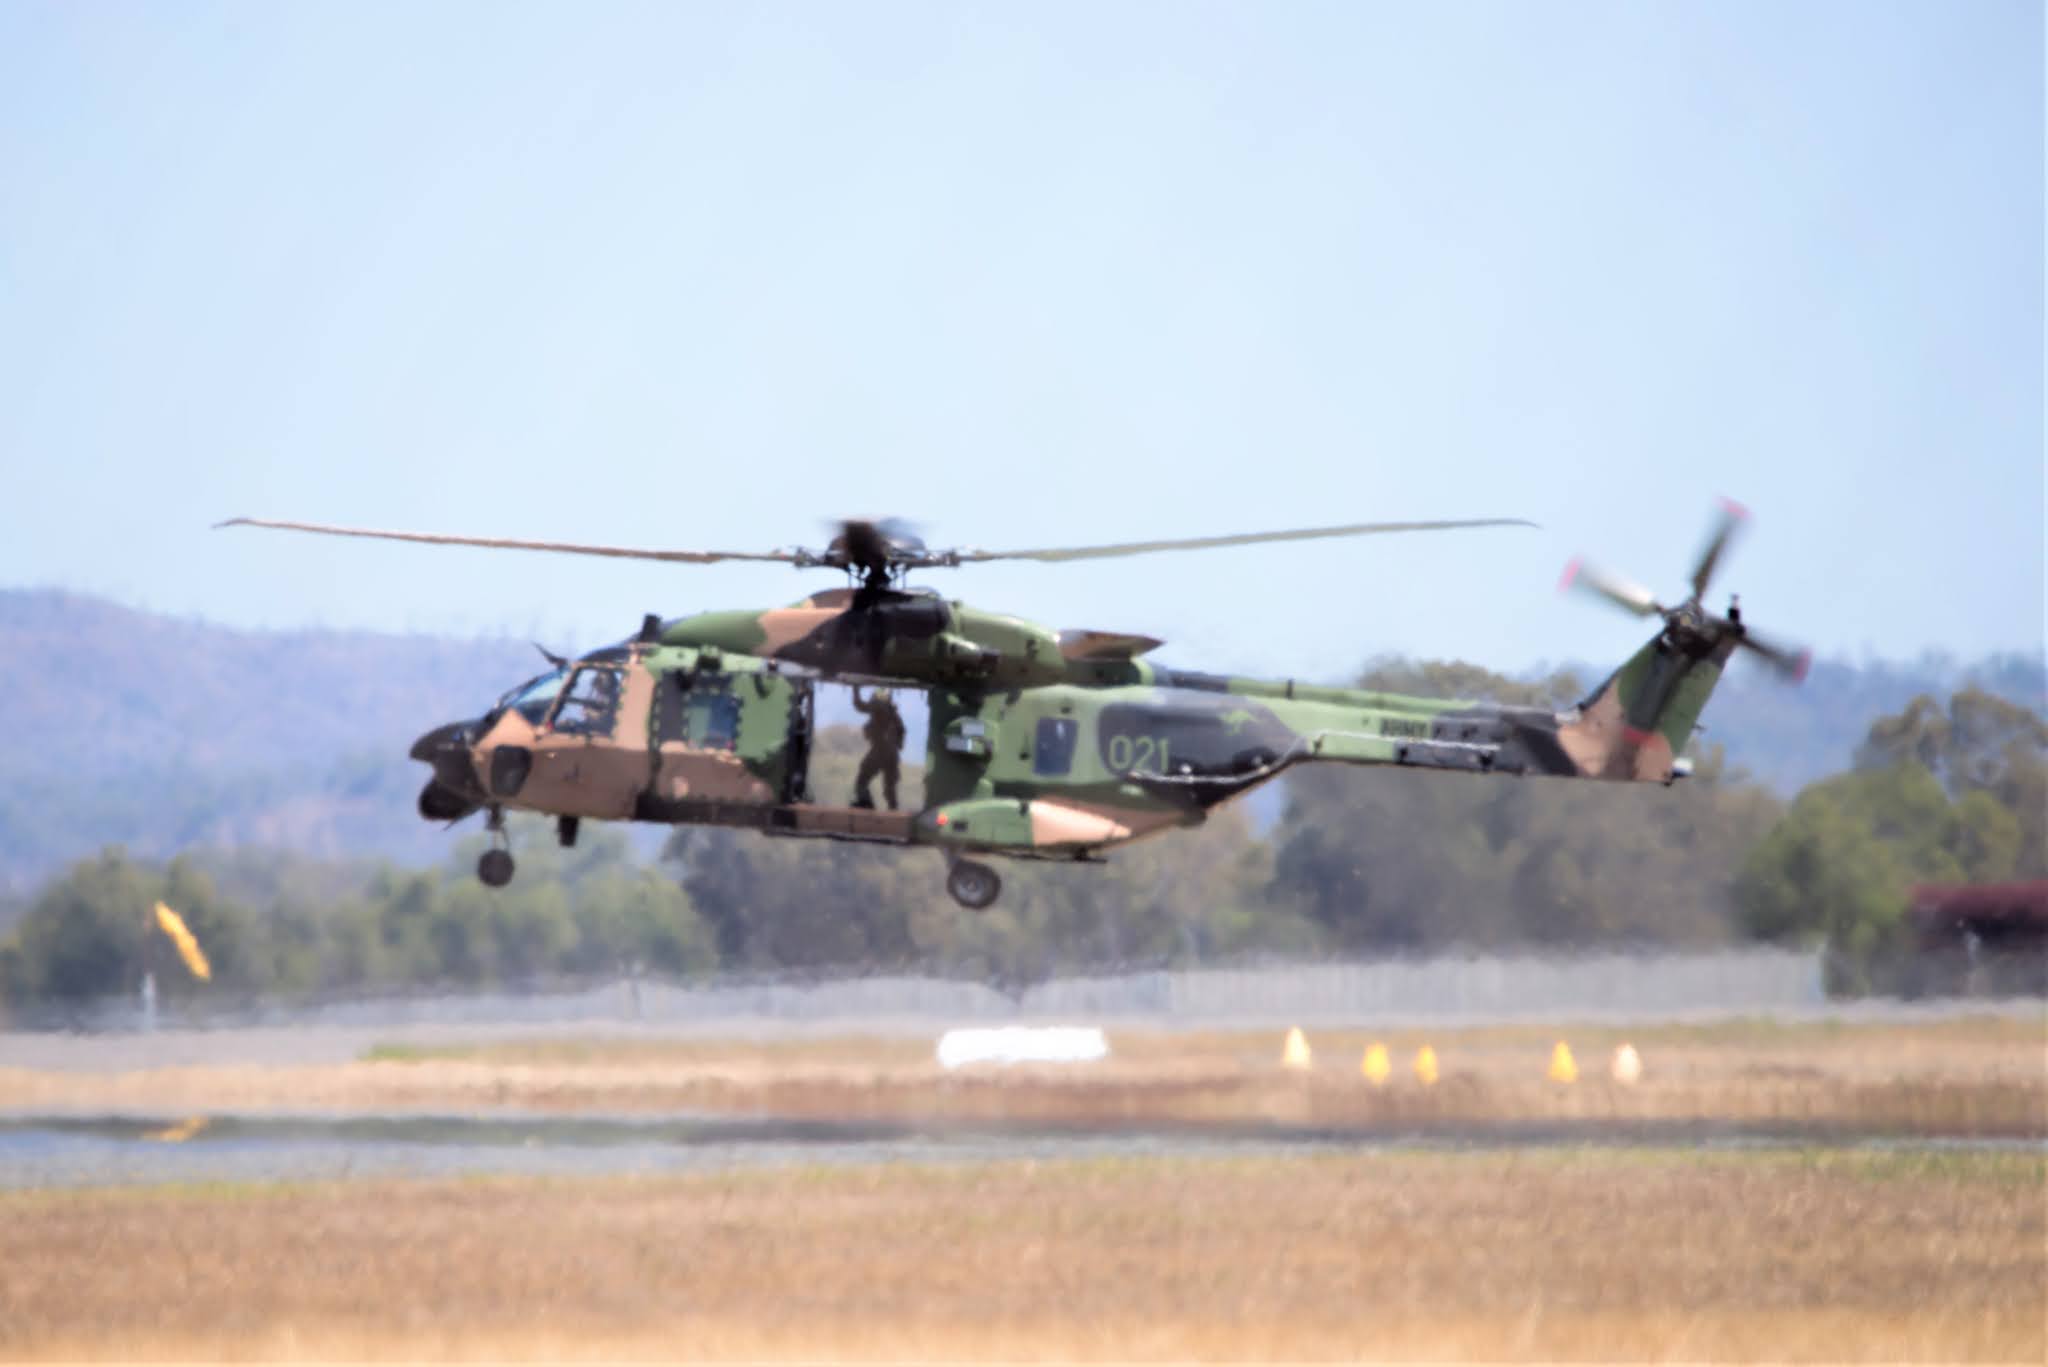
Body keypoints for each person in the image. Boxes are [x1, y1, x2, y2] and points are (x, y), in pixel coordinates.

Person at [851, 686, 905, 810]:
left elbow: (860, 706)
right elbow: (901, 731)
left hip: (880, 751)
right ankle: (892, 810)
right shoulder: (893, 713)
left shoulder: (879, 706)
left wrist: (855, 689)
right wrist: (898, 744)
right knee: (890, 788)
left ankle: (865, 803)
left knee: (862, 780)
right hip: (892, 754)